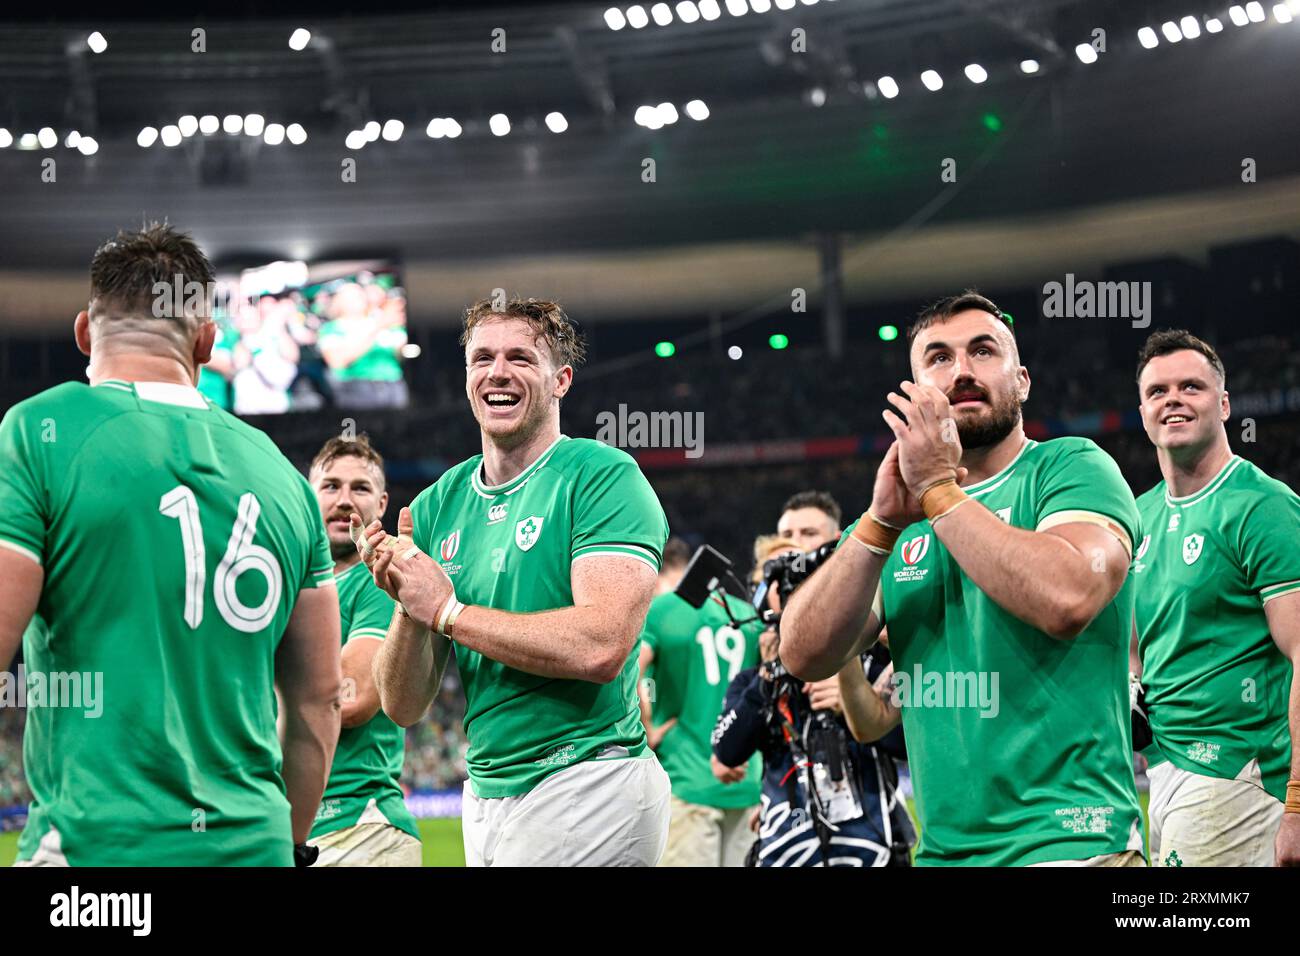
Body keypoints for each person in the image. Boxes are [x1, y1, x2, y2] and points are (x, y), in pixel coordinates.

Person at [0, 223, 341, 866]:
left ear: (83, 331)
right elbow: (319, 697)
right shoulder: (285, 478)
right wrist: (286, 842)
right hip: (255, 848)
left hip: (96, 856)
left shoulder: (40, 432)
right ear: (208, 342)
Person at [781, 290, 1145, 866]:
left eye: (983, 351)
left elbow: (1068, 596)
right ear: (915, 392)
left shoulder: (1071, 466)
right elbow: (802, 654)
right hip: (943, 855)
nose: (963, 371)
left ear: (1022, 380)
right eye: (939, 358)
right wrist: (877, 525)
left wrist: (939, 493)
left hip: (1072, 844)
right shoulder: (897, 518)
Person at [355, 296, 672, 866]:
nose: (498, 372)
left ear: (561, 381)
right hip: (486, 791)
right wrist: (409, 601)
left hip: (589, 776)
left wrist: (449, 613)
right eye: (483, 358)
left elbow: (601, 644)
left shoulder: (603, 477)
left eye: (521, 358)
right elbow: (402, 706)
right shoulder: (435, 506)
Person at [1131, 329, 1300, 867]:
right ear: (1142, 412)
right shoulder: (1138, 516)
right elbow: (1135, 645)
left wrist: (1298, 803)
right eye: (1157, 391)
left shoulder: (1264, 506)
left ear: (1224, 404)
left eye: (1191, 387)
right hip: (1160, 767)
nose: (1172, 399)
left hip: (1236, 771)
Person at [712, 534, 915, 866]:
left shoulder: (867, 664)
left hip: (874, 848)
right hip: (789, 849)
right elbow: (727, 750)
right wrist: (769, 675)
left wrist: (854, 701)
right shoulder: (755, 682)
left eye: (803, 572)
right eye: (780, 578)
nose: (794, 588)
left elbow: (907, 747)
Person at [307, 434, 422, 866]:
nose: (344, 499)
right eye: (331, 486)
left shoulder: (380, 579)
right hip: (304, 830)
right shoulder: (299, 591)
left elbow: (351, 698)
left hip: (356, 826)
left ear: (383, 503)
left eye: (360, 488)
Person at [639, 537, 764, 867]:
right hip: (748, 779)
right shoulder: (744, 612)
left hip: (687, 778)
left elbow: (628, 668)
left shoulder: (661, 610)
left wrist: (645, 729)